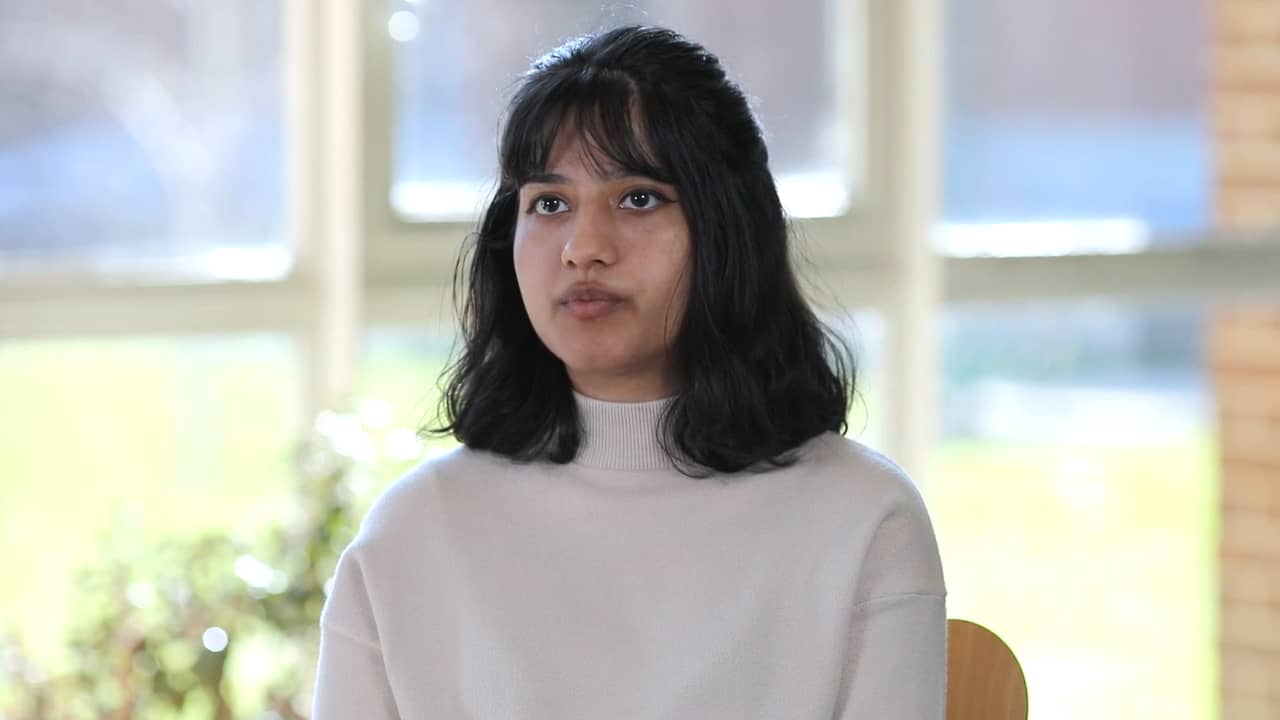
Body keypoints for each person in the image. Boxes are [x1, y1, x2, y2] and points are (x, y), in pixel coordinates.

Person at [312, 24, 946, 719]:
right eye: (549, 204)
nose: (585, 248)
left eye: (638, 198)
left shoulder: (862, 520)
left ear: (729, 229)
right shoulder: (414, 534)